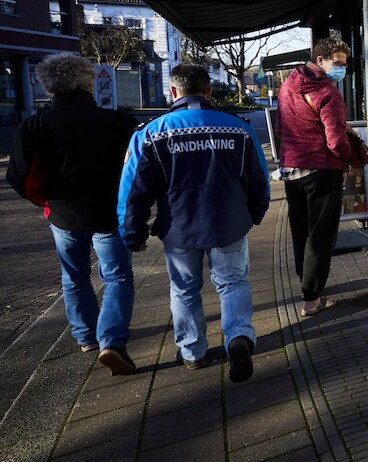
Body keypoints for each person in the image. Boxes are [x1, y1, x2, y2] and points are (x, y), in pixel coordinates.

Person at [118, 65, 269, 383]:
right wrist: (255, 212)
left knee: (184, 289)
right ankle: (238, 338)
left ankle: (192, 352)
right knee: (233, 282)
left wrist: (133, 232)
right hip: (229, 222)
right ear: (209, 91)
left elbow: (133, 190)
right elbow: (259, 178)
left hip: (180, 227)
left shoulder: (150, 133)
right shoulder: (238, 128)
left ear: (173, 92)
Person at [6, 53, 139, 375]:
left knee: (74, 276)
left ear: (48, 86)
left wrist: (46, 202)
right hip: (110, 212)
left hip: (64, 215)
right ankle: (111, 340)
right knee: (117, 276)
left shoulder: (35, 125)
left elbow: (19, 176)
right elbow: (139, 169)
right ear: (88, 81)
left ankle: (86, 336)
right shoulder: (119, 122)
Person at [277, 38, 352, 317]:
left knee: (302, 231)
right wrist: (347, 158)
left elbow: (280, 129)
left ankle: (306, 286)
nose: (341, 68)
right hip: (322, 169)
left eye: (344, 64)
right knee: (321, 235)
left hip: (292, 169)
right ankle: (311, 299)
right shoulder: (327, 92)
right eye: (338, 62)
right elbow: (336, 139)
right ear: (320, 61)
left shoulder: (287, 86)